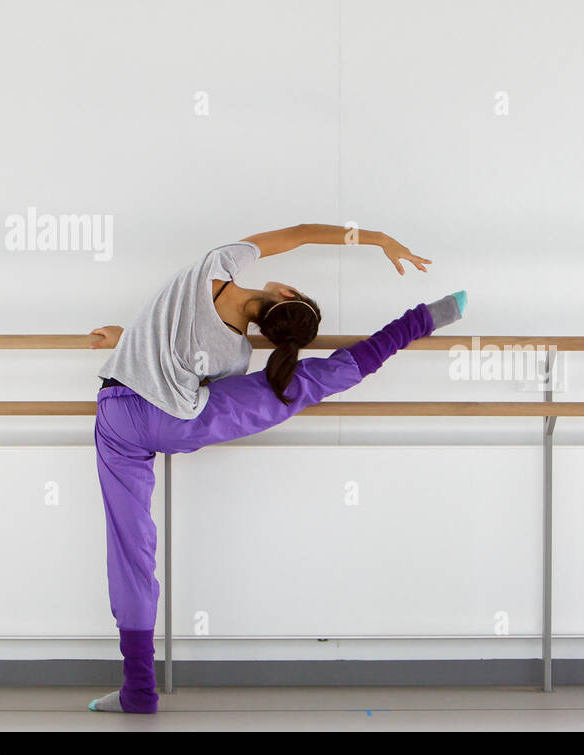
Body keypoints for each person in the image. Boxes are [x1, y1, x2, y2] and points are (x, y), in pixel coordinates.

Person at [85, 224, 465, 713]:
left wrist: (378, 240)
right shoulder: (237, 354)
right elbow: (180, 374)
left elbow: (303, 233)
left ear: (282, 291)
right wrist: (132, 341)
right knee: (296, 387)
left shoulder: (211, 267)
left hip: (118, 414)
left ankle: (138, 692)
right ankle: (418, 321)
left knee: (130, 552)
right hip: (178, 424)